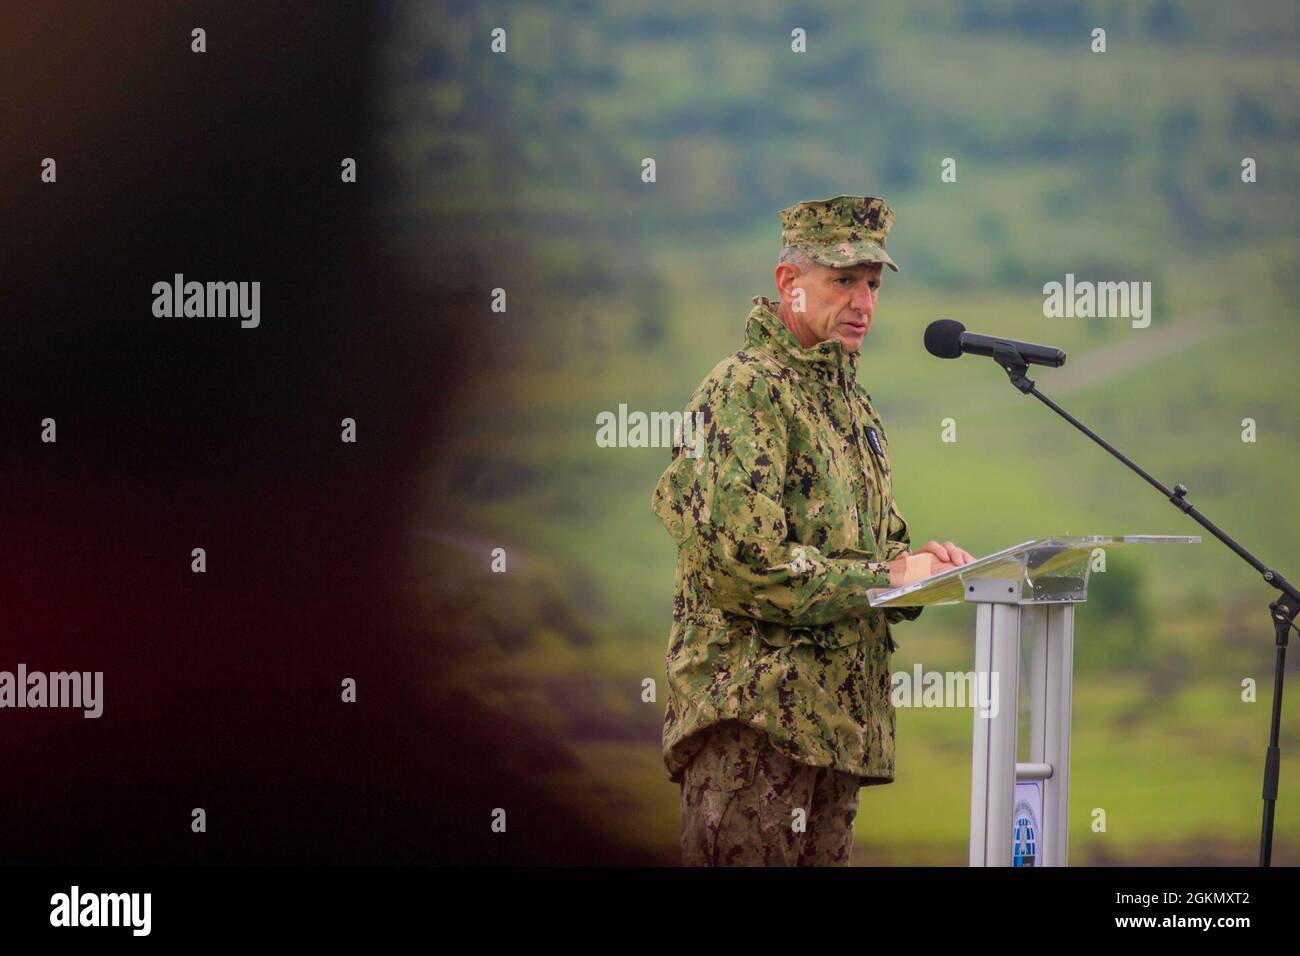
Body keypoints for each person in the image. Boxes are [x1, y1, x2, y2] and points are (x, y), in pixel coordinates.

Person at [651, 195, 975, 866]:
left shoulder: (851, 405)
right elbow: (746, 566)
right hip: (755, 728)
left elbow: (866, 554)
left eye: (873, 284)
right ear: (788, 282)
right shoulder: (743, 390)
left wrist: (919, 571)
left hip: (836, 734)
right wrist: (886, 577)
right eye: (843, 280)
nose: (863, 302)